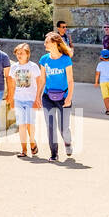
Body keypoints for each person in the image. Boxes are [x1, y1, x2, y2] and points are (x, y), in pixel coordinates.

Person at [37, 32, 75, 161]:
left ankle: (68, 143)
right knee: (51, 126)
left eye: (47, 42)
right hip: (48, 96)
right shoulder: (44, 59)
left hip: (63, 96)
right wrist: (38, 96)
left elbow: (70, 80)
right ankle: (54, 154)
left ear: (55, 43)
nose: (45, 44)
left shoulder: (66, 59)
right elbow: (42, 79)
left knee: (63, 128)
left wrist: (69, 97)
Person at [8, 43, 40, 157]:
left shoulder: (33, 67)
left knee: (30, 124)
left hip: (31, 100)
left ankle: (32, 142)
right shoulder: (14, 67)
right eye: (17, 53)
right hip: (18, 99)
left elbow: (40, 82)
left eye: (22, 53)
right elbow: (11, 84)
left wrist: (37, 99)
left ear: (28, 54)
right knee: (22, 125)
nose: (19, 55)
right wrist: (11, 99)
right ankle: (24, 150)